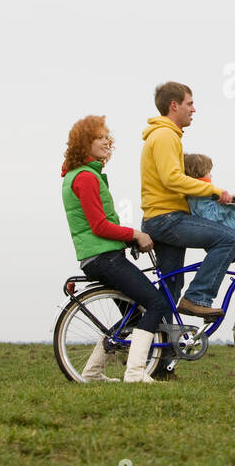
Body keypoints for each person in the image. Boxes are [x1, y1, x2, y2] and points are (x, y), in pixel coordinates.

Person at [61, 115, 168, 383]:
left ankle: (92, 372)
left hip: (98, 255)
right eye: (100, 137)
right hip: (104, 257)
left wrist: (128, 240)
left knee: (131, 314)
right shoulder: (86, 178)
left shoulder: (81, 175)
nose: (107, 141)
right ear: (84, 143)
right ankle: (134, 373)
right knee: (155, 303)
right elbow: (99, 226)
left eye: (109, 138)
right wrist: (134, 234)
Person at [140, 81, 235, 319]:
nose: (194, 109)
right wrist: (213, 191)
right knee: (229, 238)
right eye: (190, 103)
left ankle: (159, 349)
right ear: (174, 106)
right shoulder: (166, 135)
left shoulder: (167, 135)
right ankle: (197, 298)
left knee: (170, 289)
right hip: (167, 219)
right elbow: (172, 179)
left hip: (161, 218)